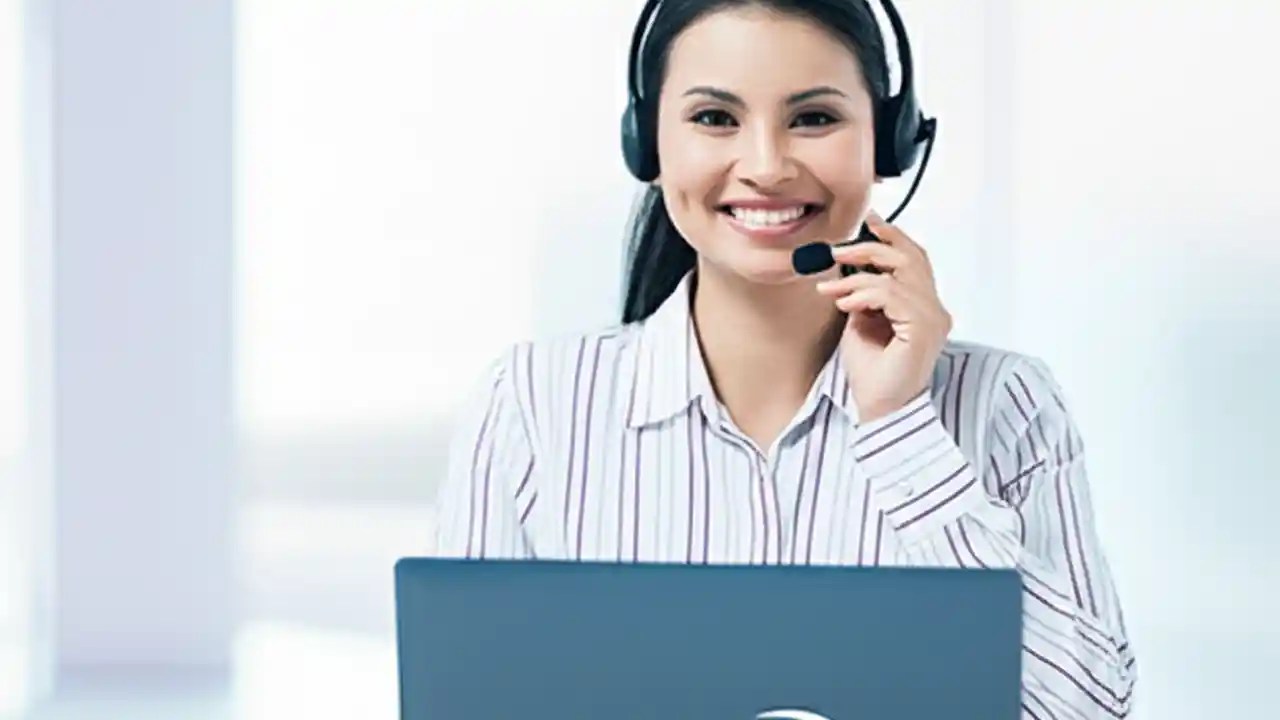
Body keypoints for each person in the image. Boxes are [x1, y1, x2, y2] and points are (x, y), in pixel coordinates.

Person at [434, 0, 1136, 716]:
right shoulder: (533, 404)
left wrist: (901, 429)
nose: (766, 166)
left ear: (889, 143)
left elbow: (1086, 709)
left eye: (813, 118)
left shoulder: (1004, 403)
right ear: (647, 144)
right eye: (715, 119)